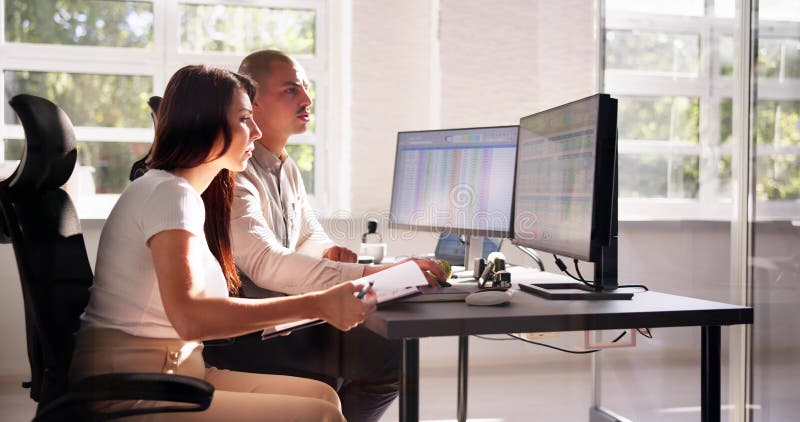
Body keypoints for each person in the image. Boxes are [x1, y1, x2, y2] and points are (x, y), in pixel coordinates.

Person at [69, 65, 376, 421]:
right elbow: (190, 316)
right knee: (317, 415)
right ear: (205, 122)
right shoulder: (169, 194)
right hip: (134, 388)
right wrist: (318, 305)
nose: (257, 131)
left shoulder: (181, 194)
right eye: (245, 119)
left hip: (181, 370)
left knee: (322, 395)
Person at [201, 50, 445, 422]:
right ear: (254, 101)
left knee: (379, 342)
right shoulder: (235, 171)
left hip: (287, 317)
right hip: (250, 333)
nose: (307, 99)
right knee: (386, 352)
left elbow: (306, 236)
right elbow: (267, 264)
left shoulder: (286, 166)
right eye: (291, 89)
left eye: (307, 87)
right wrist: (374, 276)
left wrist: (328, 248)